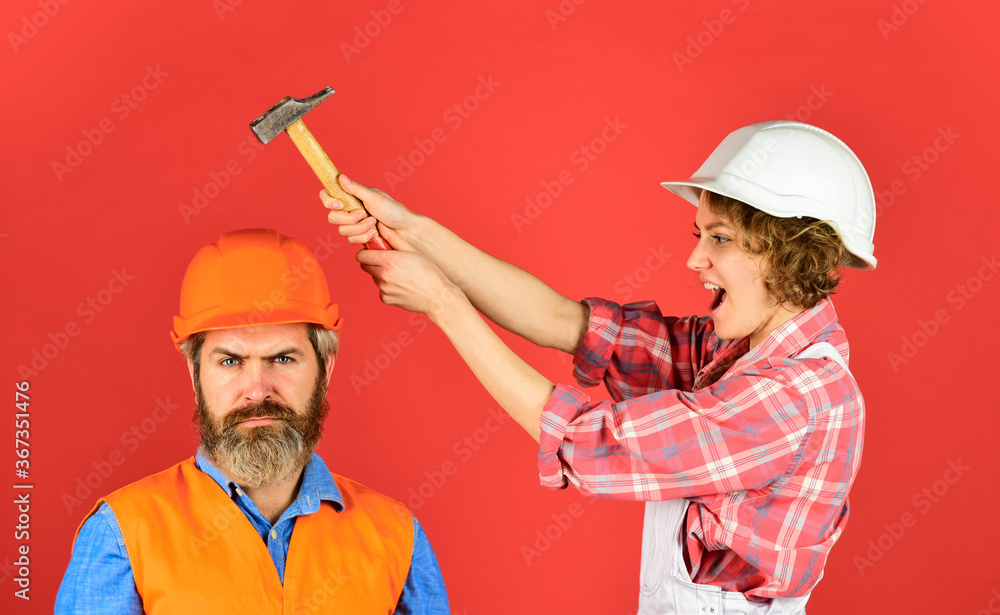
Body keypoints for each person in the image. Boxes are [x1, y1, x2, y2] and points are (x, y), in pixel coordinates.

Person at [322, 120, 876, 614]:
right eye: (700, 234)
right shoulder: (737, 354)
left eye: (721, 239)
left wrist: (444, 304)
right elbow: (572, 325)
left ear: (791, 253)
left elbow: (586, 443)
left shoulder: (791, 397)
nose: (694, 259)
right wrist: (414, 230)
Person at [55, 229, 450, 614]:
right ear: (194, 375)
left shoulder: (397, 536)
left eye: (282, 358)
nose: (257, 390)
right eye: (231, 361)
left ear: (325, 368)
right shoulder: (121, 533)